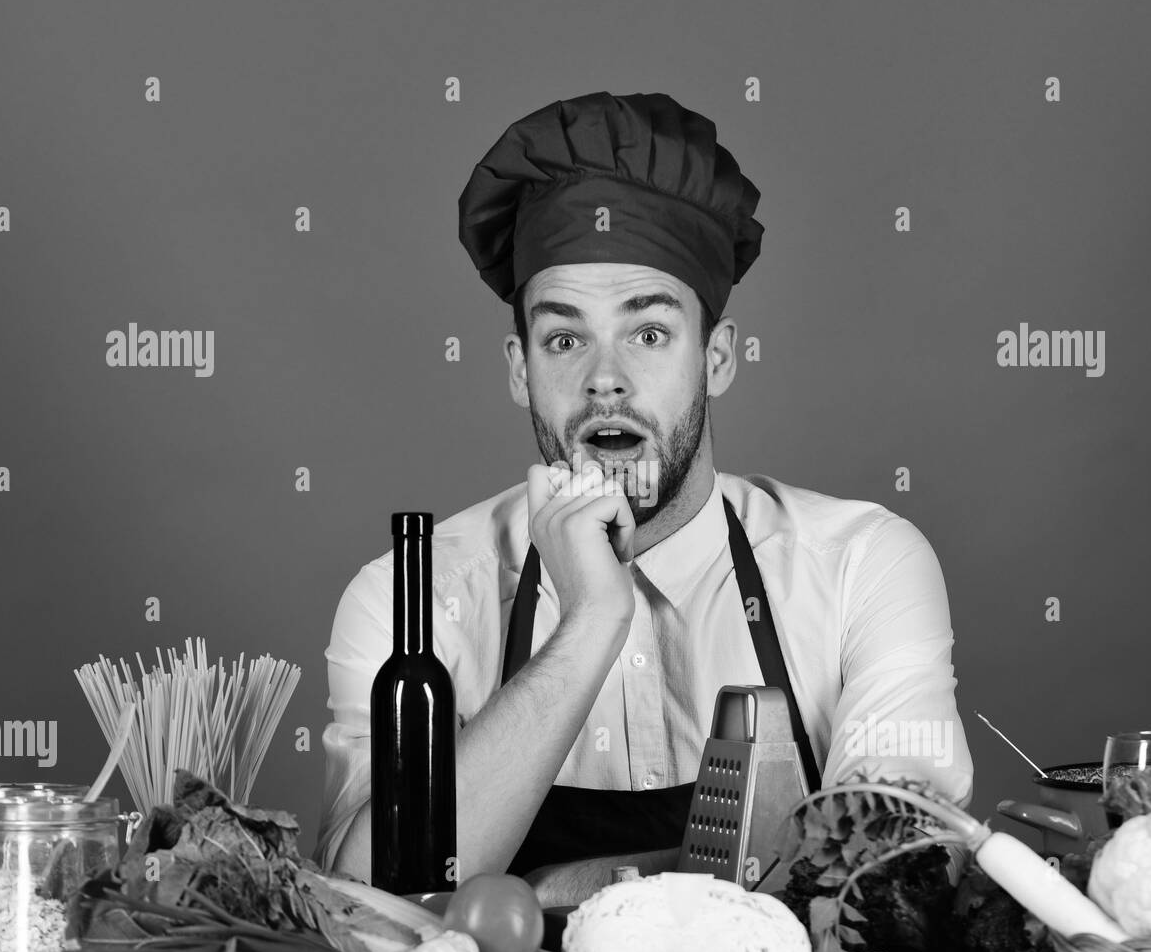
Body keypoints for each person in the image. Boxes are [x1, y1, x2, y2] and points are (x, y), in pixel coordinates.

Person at [315, 91, 973, 904]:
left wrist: (566, 887)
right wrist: (594, 616)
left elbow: (892, 869)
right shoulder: (408, 598)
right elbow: (367, 904)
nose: (606, 379)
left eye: (649, 332)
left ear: (717, 358)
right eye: (564, 338)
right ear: (521, 369)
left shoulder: (861, 567)